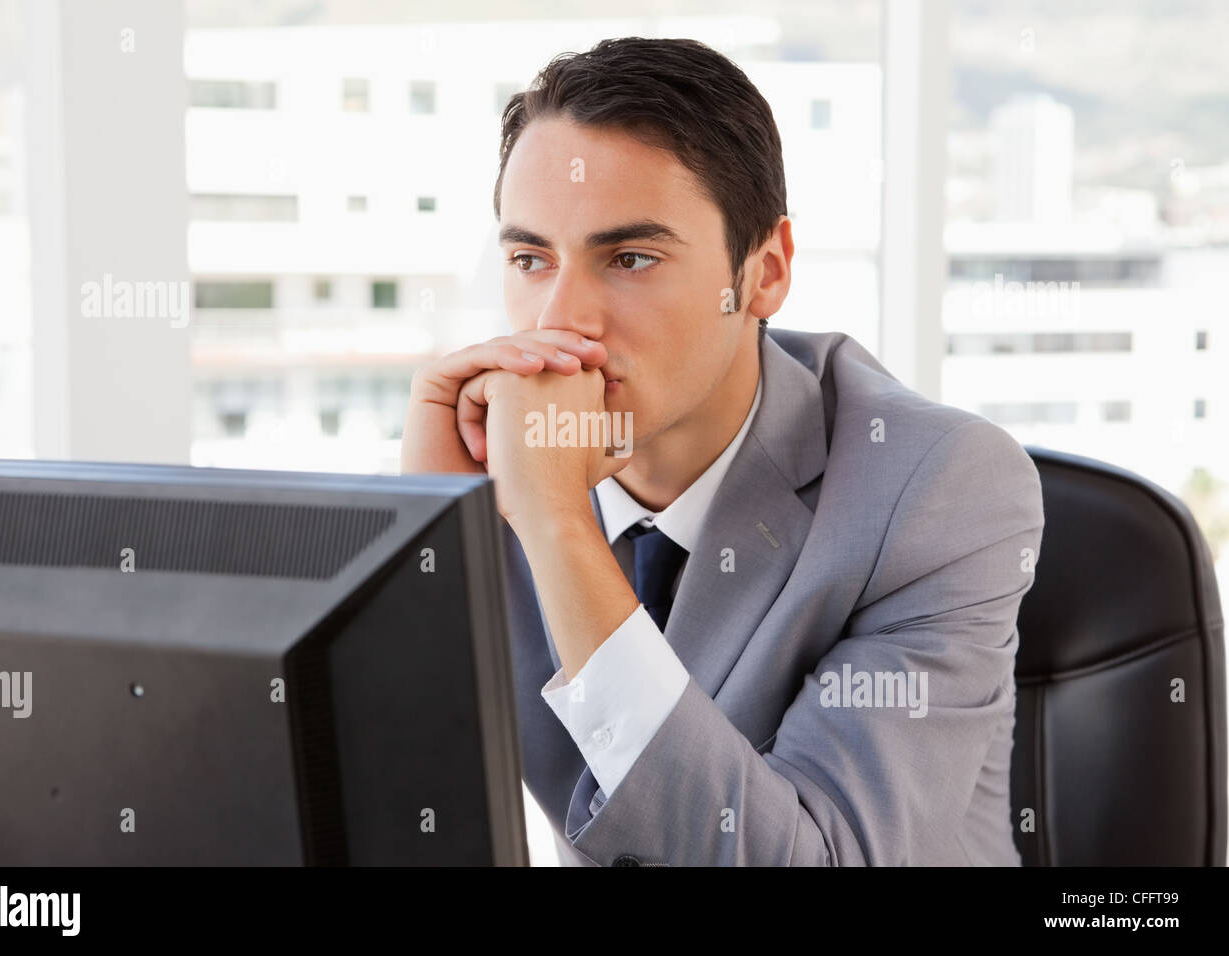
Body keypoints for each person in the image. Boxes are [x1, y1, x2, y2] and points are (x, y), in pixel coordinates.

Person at [401, 37, 1044, 866]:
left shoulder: (940, 488)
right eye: (531, 259)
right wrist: (430, 551)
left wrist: (557, 529)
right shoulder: (505, 466)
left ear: (765, 272)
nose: (561, 320)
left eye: (630, 258)